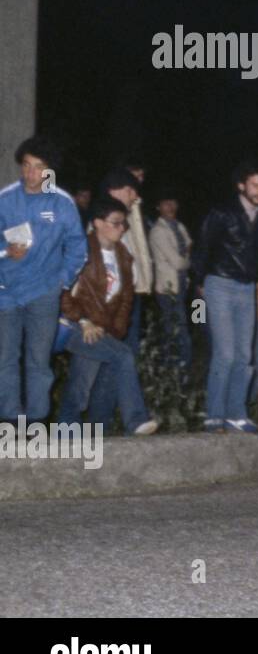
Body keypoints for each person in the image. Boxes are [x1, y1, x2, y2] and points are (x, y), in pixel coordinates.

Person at [0, 137, 87, 425]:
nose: (31, 173)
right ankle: (10, 420)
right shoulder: (6, 198)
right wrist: (5, 252)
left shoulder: (62, 204)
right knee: (5, 360)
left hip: (43, 292)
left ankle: (37, 420)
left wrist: (60, 282)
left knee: (38, 360)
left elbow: (77, 248)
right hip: (6, 292)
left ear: (49, 171)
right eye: (26, 166)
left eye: (38, 167)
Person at [56, 198, 158, 434]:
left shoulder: (123, 254)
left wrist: (117, 329)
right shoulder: (78, 249)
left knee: (82, 382)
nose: (122, 229)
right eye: (116, 223)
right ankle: (136, 420)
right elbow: (60, 290)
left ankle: (71, 429)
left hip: (102, 328)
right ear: (98, 223)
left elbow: (126, 298)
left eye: (124, 224)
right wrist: (83, 321)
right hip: (73, 324)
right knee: (123, 356)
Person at [192, 160, 258, 433]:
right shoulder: (222, 212)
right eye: (254, 185)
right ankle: (213, 415)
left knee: (245, 355)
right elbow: (203, 245)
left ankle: (236, 414)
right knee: (225, 353)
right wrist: (200, 280)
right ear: (241, 185)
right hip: (220, 283)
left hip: (247, 287)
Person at [100, 169, 153, 352]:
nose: (135, 196)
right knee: (114, 355)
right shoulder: (102, 222)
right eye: (130, 190)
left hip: (129, 295)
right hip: (111, 300)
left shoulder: (127, 217)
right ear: (114, 191)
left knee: (127, 351)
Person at [148, 189, 193, 369]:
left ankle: (172, 367)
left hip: (182, 284)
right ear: (158, 207)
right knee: (176, 328)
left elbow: (190, 244)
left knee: (175, 327)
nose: (170, 206)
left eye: (173, 202)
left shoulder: (179, 226)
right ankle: (179, 368)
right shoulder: (158, 231)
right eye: (165, 203)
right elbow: (177, 262)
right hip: (168, 287)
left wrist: (186, 258)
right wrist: (188, 260)